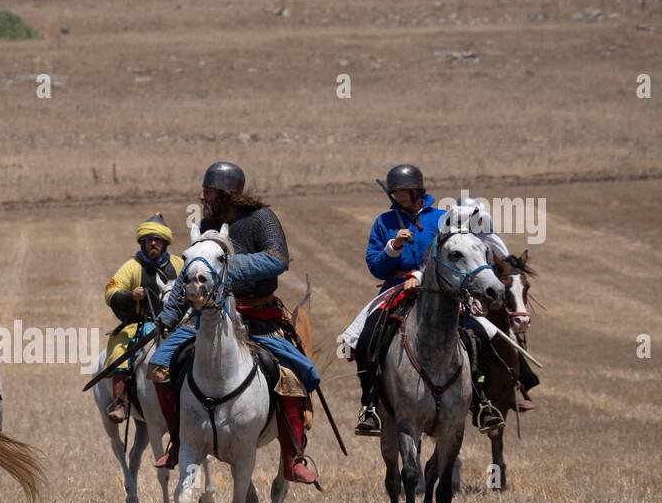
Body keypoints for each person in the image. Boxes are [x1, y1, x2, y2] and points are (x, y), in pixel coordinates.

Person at [148, 161, 320, 485]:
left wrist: (228, 266)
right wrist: (168, 318)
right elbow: (191, 275)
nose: (202, 195)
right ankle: (177, 441)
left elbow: (277, 260)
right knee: (158, 365)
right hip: (211, 316)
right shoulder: (208, 222)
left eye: (209, 191)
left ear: (228, 193)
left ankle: (292, 456)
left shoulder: (260, 219)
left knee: (294, 375)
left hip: (258, 316)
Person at [346, 165, 504, 436]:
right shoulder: (384, 223)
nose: (400, 196)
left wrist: (421, 275)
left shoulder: (443, 219)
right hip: (397, 288)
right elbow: (375, 265)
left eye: (405, 191)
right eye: (395, 192)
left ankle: (480, 400)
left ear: (417, 189)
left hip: (443, 291)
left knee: (479, 336)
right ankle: (370, 406)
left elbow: (455, 254)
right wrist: (393, 248)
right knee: (367, 338)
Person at [100, 213, 184, 423]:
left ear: (165, 242)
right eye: (148, 240)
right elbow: (110, 291)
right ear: (142, 242)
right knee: (119, 349)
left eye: (157, 239)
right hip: (140, 324)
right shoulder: (132, 267)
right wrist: (130, 295)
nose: (153, 243)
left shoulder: (179, 264)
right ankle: (120, 402)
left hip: (178, 324)